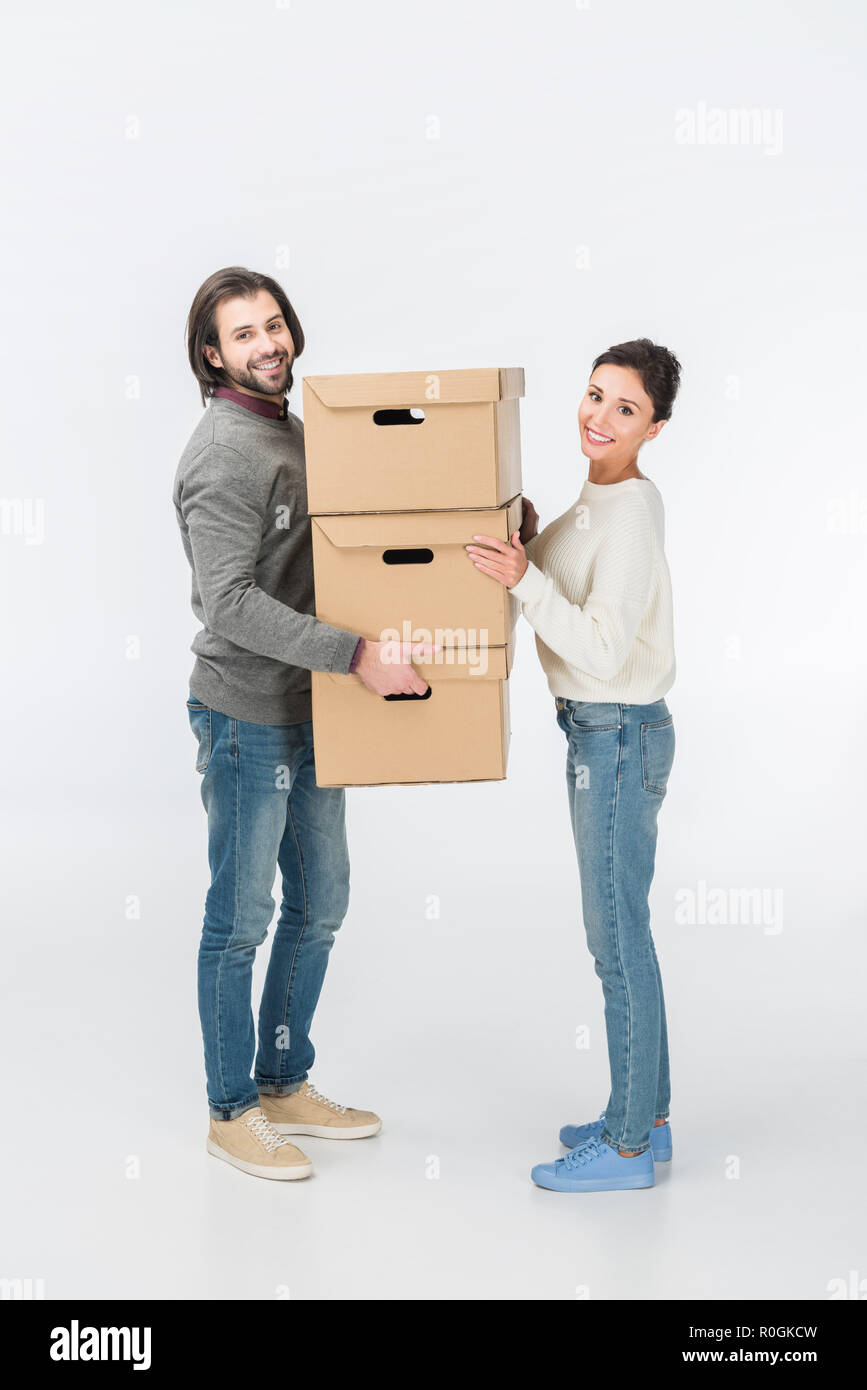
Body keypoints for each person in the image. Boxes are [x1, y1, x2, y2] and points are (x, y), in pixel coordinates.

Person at [173, 266, 432, 1181]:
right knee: (239, 919)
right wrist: (356, 654)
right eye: (243, 334)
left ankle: (283, 1079)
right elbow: (228, 602)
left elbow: (357, 531)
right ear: (213, 355)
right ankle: (229, 1109)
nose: (267, 344)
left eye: (273, 324)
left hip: (313, 706)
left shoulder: (299, 430)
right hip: (247, 715)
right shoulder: (222, 453)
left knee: (321, 902)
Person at [466, 338, 681, 1193]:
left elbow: (598, 643)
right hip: (600, 733)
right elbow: (556, 574)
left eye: (623, 408)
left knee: (616, 940)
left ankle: (628, 1150)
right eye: (594, 395)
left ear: (654, 428)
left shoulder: (630, 511)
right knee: (621, 932)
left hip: (617, 733)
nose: (598, 417)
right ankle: (646, 1118)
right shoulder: (596, 500)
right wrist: (528, 541)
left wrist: (523, 579)